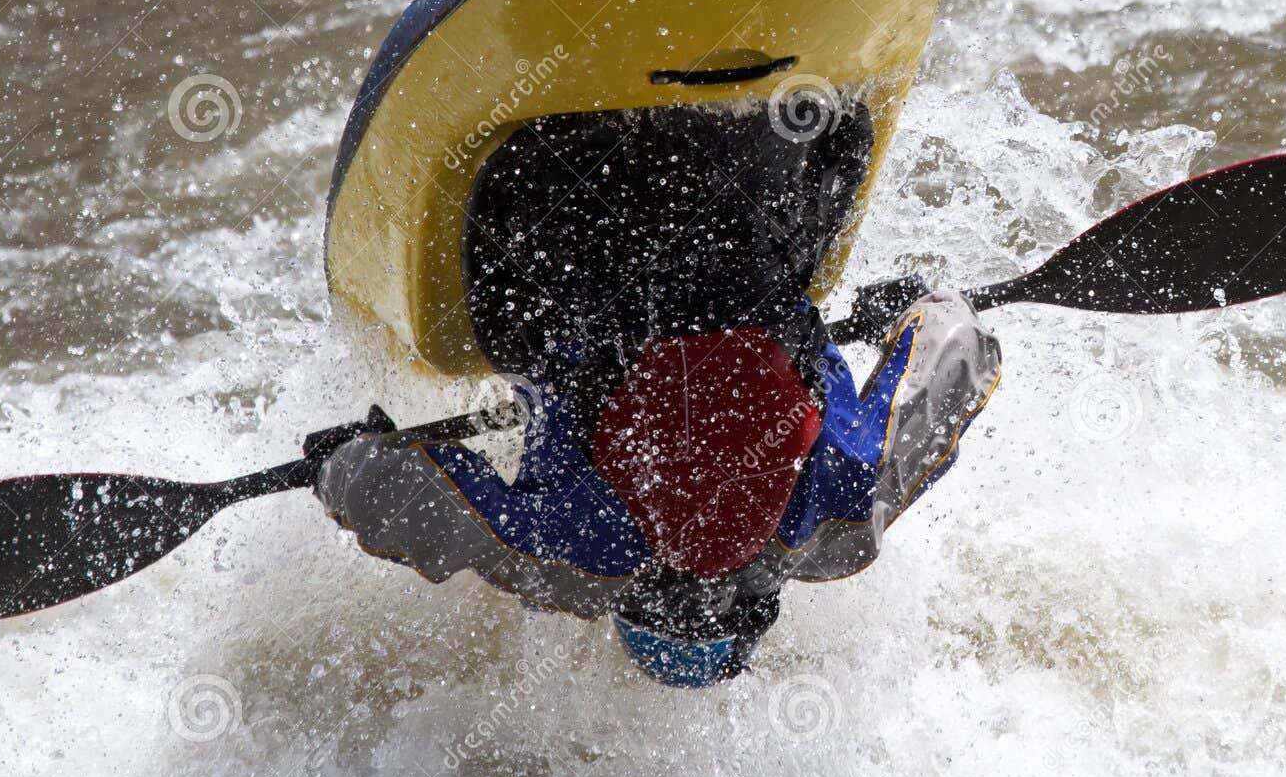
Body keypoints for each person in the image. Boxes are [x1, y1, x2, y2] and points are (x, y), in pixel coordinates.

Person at [311, 285, 1000, 688]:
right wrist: (343, 465)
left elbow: (954, 351)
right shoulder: (583, 560)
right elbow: (417, 507)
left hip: (763, 238)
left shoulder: (846, 523)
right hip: (570, 274)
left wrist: (914, 307)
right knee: (510, 320)